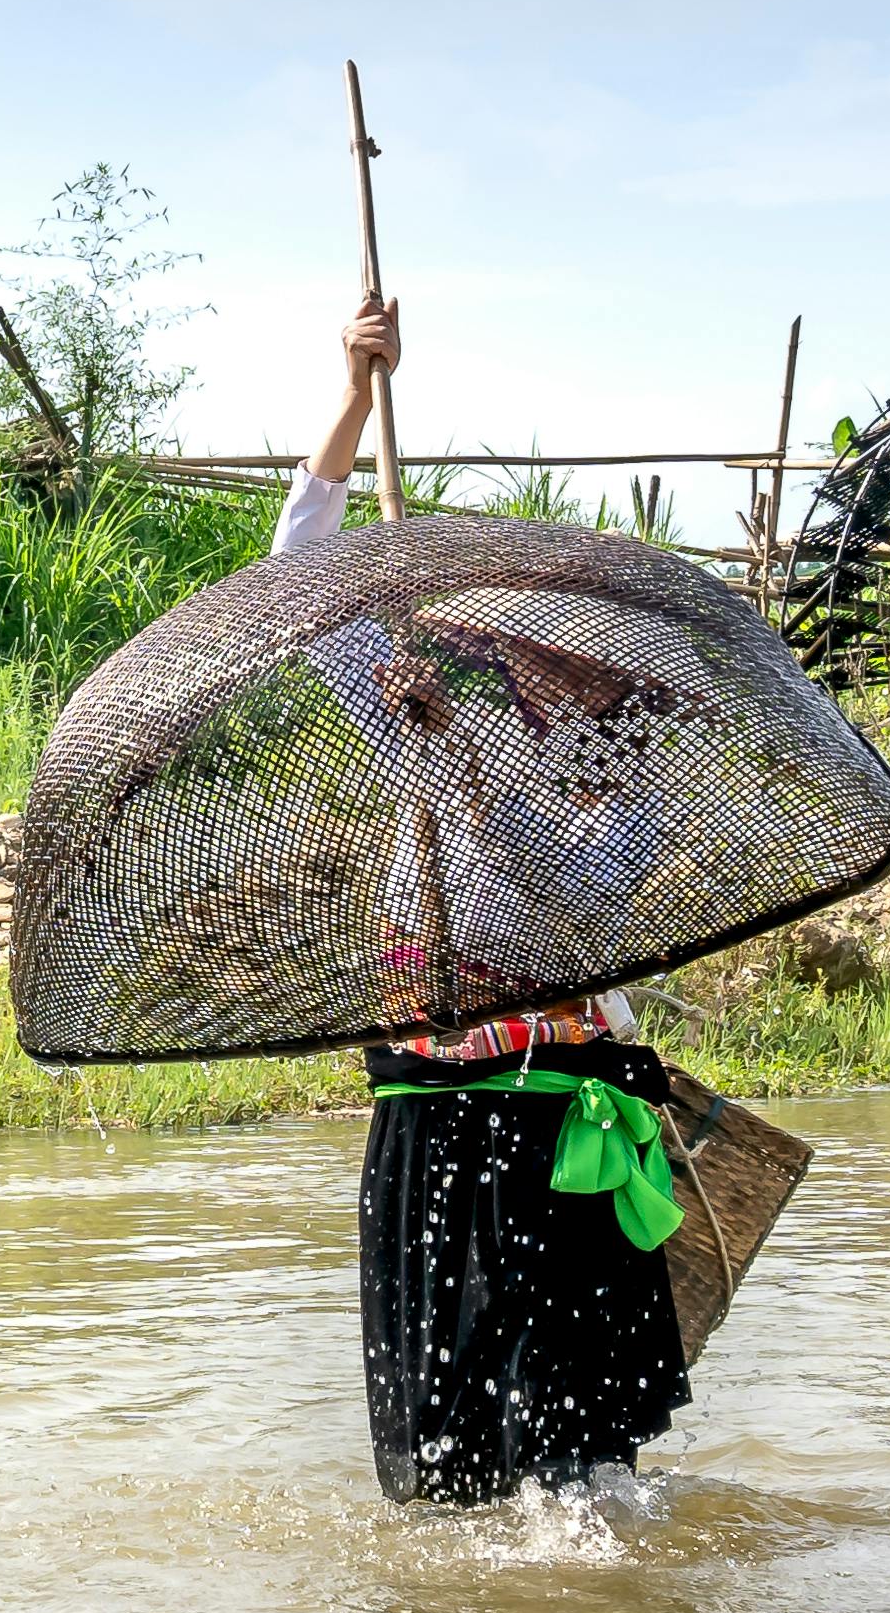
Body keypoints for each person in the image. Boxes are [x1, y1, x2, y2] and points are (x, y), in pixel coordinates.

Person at [276, 297, 694, 1506]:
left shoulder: (633, 788)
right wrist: (354, 397)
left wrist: (454, 755)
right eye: (534, 644)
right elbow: (300, 582)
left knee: (573, 1452)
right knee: (443, 1437)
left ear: (614, 682)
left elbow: (567, 910)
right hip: (428, 1102)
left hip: (552, 1120)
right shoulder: (426, 720)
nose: (542, 660)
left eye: (573, 653)